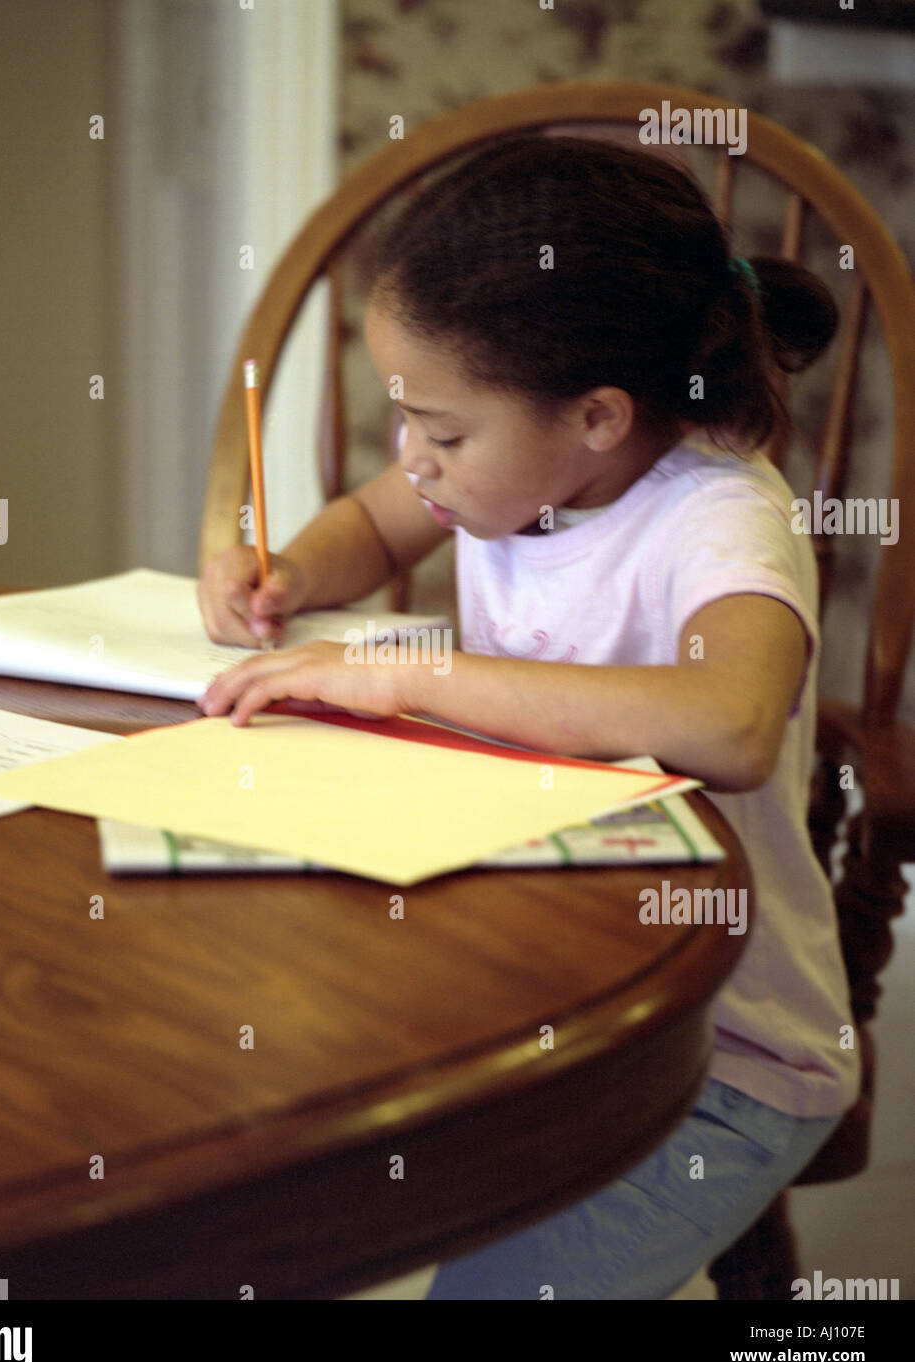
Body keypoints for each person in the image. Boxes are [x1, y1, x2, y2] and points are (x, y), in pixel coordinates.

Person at [196, 136, 860, 1298]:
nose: (415, 462)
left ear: (598, 417)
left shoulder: (715, 520)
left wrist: (416, 673)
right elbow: (368, 520)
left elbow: (730, 723)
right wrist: (291, 571)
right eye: (409, 423)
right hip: (525, 993)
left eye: (441, 434)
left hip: (719, 1055)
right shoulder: (505, 468)